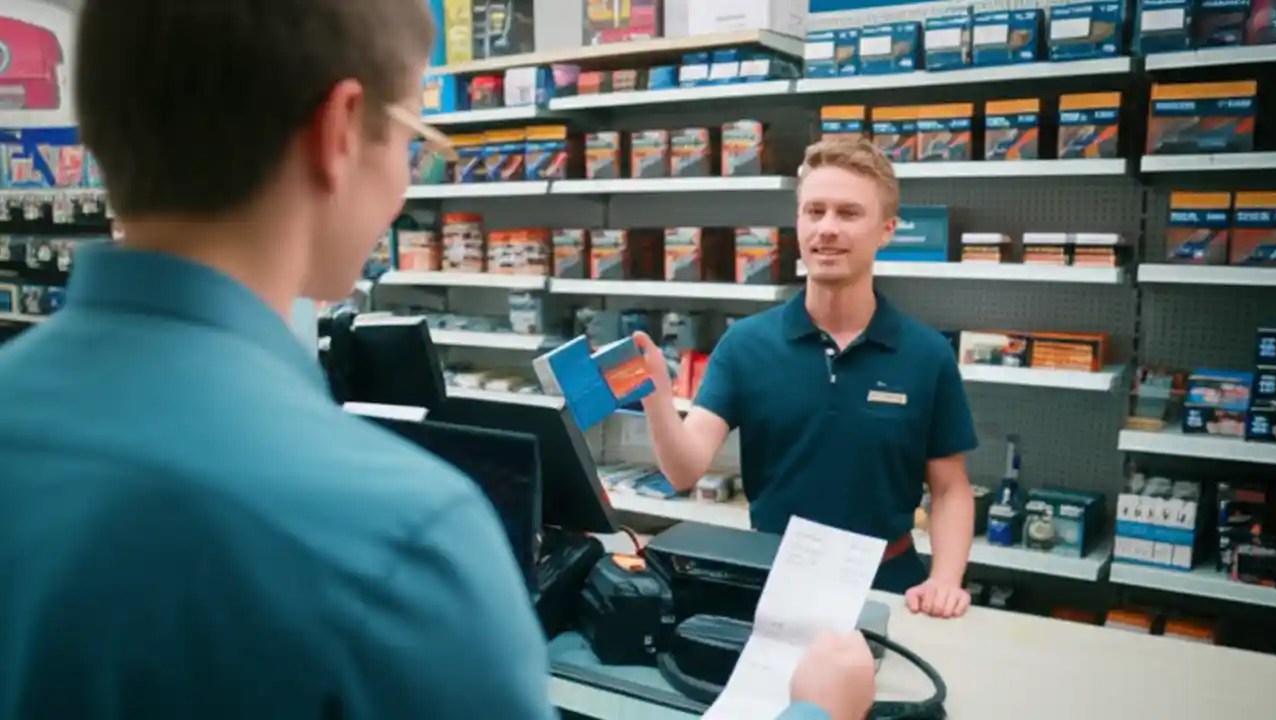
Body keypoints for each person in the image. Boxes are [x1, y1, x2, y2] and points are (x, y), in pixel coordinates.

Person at [0, 2, 875, 718]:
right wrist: (811, 714)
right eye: (412, 134)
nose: (407, 177)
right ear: (340, 134)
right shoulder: (401, 534)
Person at [637, 137, 978, 619]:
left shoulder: (925, 355)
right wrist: (655, 394)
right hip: (771, 579)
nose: (827, 229)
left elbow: (949, 488)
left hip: (890, 587)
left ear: (886, 230)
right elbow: (683, 469)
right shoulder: (746, 345)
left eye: (848, 213)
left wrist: (945, 580)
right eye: (814, 211)